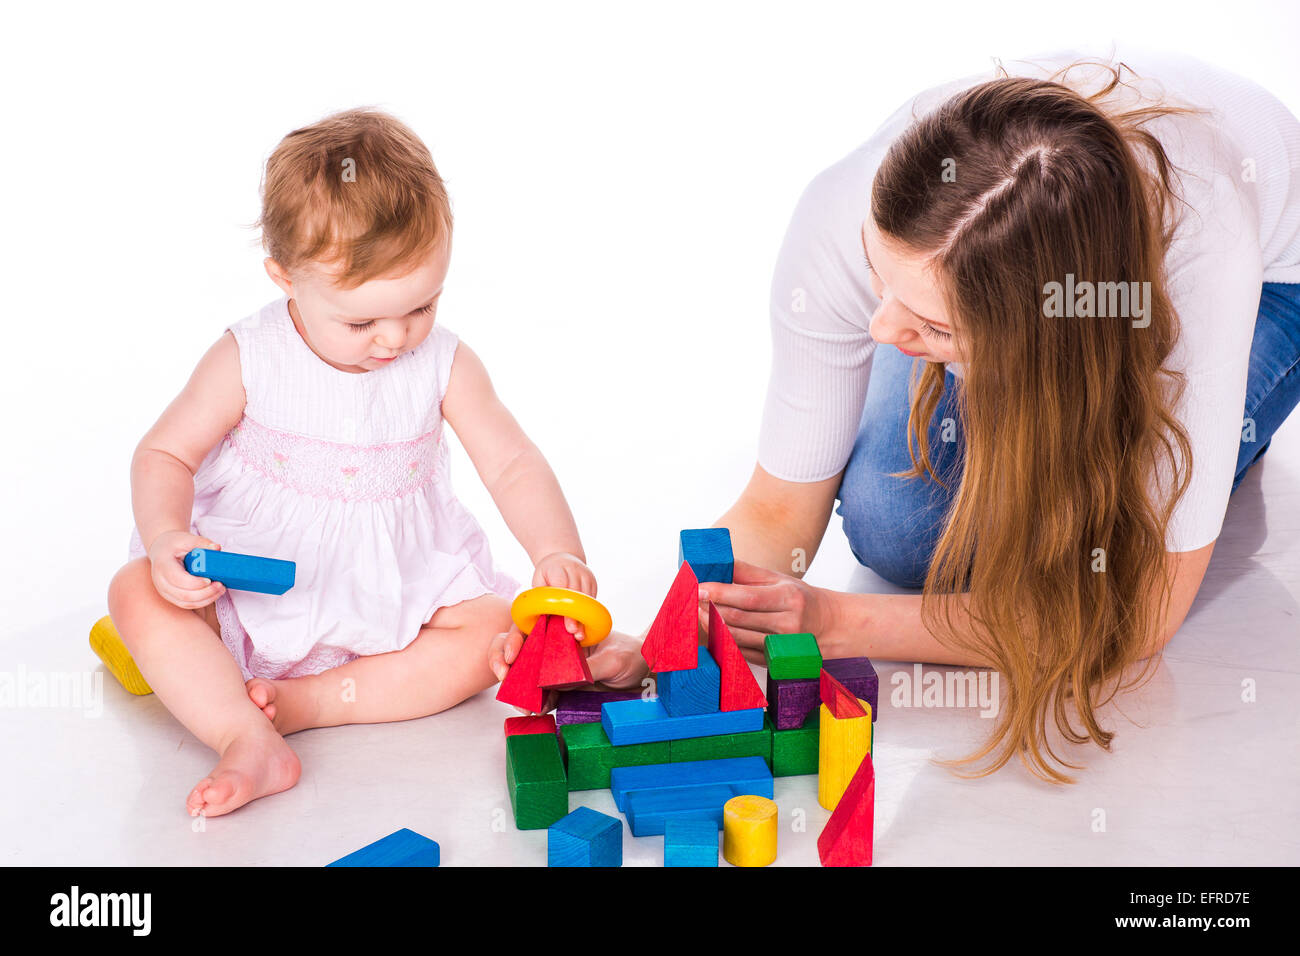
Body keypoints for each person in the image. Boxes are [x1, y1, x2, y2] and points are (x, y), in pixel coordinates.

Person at [699, 48, 1300, 783]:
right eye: (879, 279)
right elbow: (776, 505)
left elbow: (1139, 614)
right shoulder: (850, 209)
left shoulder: (1204, 264)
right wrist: (675, 634)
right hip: (1002, 272)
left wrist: (841, 622)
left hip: (1275, 280)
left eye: (934, 329)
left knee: (1059, 536)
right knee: (901, 522)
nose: (882, 332)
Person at [105, 107, 636, 818]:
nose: (395, 339)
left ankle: (305, 705)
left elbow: (512, 462)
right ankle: (245, 734)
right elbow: (164, 452)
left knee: (492, 636)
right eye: (362, 321)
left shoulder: (443, 361)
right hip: (250, 588)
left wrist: (556, 550)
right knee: (136, 593)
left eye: (421, 306)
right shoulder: (249, 356)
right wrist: (170, 536)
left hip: (395, 590)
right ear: (285, 277)